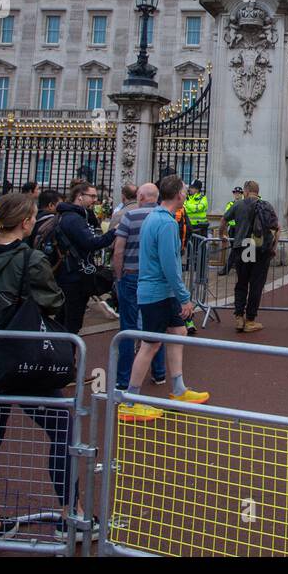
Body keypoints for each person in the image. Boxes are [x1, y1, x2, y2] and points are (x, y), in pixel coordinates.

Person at [0, 192, 92, 552]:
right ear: (25, 222)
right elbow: (53, 303)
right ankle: (72, 513)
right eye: (33, 218)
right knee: (62, 431)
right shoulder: (30, 260)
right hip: (24, 360)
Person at [119, 175, 209, 419]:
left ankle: (179, 388)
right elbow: (171, 265)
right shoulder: (167, 223)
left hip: (160, 291)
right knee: (150, 344)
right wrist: (184, 297)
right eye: (184, 191)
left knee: (178, 332)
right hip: (158, 292)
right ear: (179, 195)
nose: (186, 195)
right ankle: (130, 400)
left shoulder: (156, 217)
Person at [111, 182, 166, 389]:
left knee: (128, 327)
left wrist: (119, 276)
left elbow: (118, 250)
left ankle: (123, 380)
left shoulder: (130, 216)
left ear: (141, 197)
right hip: (155, 279)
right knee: (156, 325)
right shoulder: (163, 217)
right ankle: (159, 372)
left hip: (132, 276)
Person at [53, 180, 117, 334]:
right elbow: (91, 242)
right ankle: (66, 355)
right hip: (73, 275)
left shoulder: (70, 215)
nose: (95, 200)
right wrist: (114, 232)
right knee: (72, 322)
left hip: (69, 273)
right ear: (80, 196)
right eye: (92, 196)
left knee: (64, 317)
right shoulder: (74, 219)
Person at [223, 180, 280, 334]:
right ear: (257, 191)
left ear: (246, 191)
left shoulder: (238, 205)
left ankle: (239, 317)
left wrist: (223, 236)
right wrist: (273, 248)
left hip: (244, 247)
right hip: (260, 249)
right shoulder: (266, 205)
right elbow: (277, 228)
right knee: (256, 285)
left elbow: (224, 219)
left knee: (242, 282)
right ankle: (250, 320)